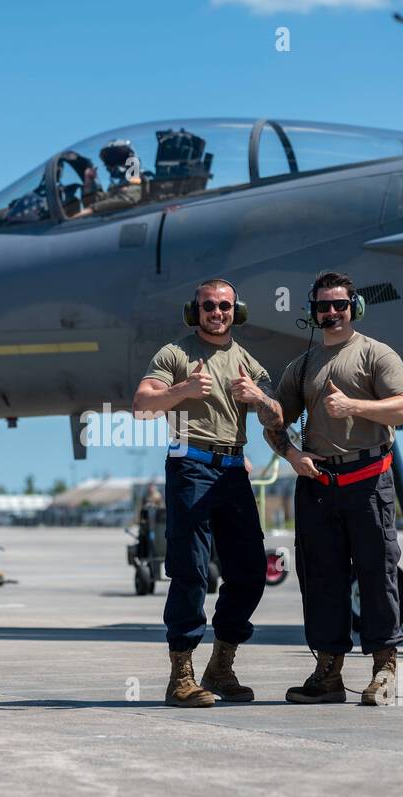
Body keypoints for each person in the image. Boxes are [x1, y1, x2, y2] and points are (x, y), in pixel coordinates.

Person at [262, 272, 403, 705]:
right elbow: (277, 422)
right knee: (321, 579)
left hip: (367, 483)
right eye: (323, 307)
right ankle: (328, 673)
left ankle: (383, 669)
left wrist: (354, 406)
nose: (332, 313)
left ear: (355, 308)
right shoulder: (303, 365)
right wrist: (289, 452)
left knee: (376, 574)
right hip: (318, 487)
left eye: (339, 305)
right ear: (312, 313)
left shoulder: (375, 354)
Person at [132, 278, 280, 707]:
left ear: (237, 311)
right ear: (194, 311)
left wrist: (259, 398)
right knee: (192, 570)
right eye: (209, 306)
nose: (217, 313)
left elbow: (276, 416)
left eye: (225, 307)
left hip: (233, 470)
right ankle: (181, 676)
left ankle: (221, 666)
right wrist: (182, 390)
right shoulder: (175, 354)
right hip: (190, 466)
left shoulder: (247, 361)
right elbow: (142, 404)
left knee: (251, 572)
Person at [75, 140, 143, 216]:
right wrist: (88, 182)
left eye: (120, 158)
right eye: (111, 160)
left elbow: (129, 198)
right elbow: (97, 202)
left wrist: (92, 209)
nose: (115, 163)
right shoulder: (115, 187)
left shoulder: (140, 179)